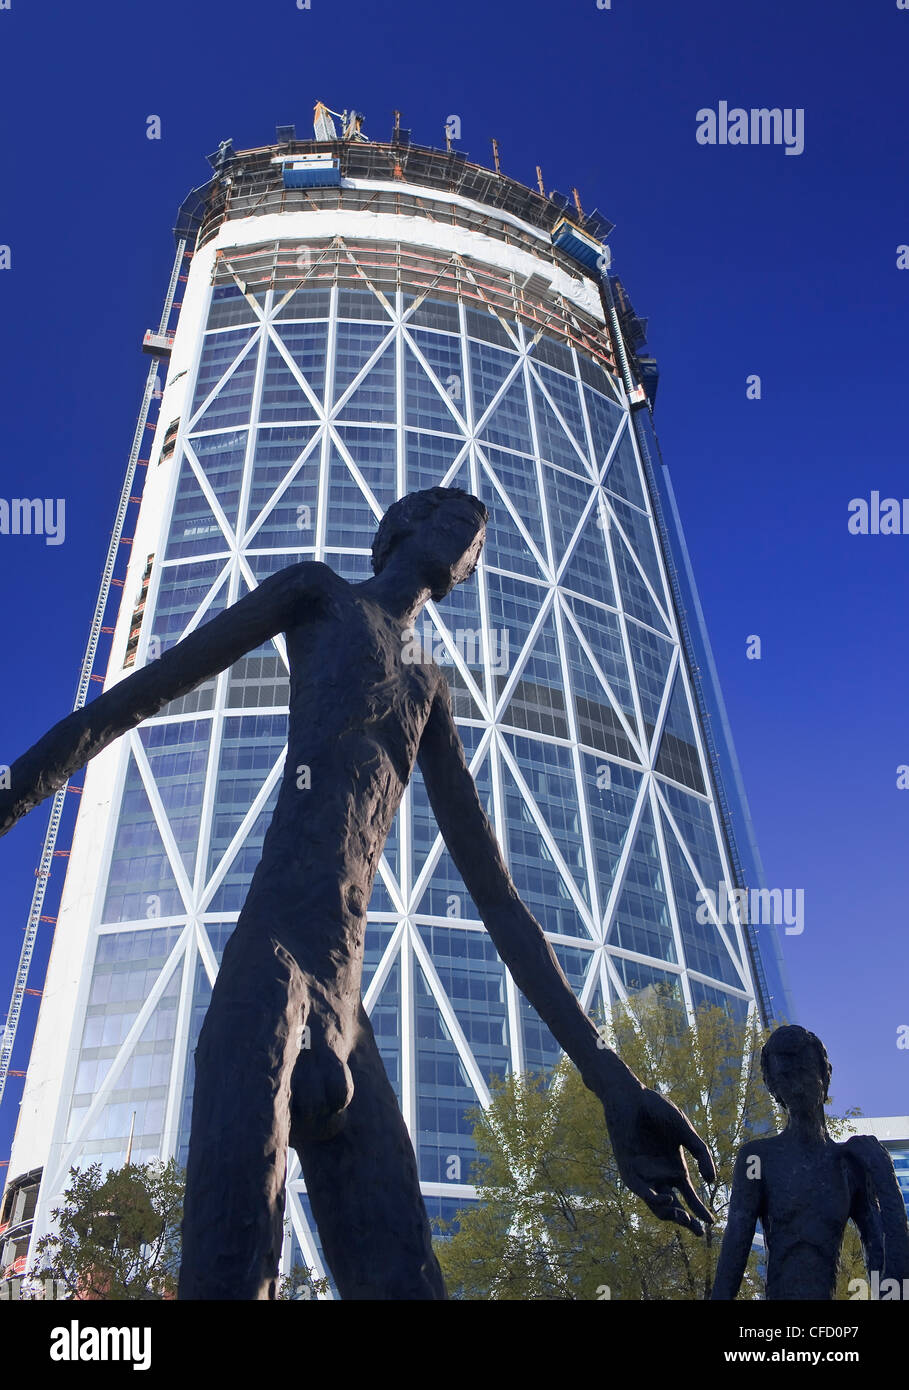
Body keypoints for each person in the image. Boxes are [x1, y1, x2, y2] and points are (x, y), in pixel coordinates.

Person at [1, 487, 716, 1299]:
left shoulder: (428, 690)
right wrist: (12, 795)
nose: (466, 547)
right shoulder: (317, 594)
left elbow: (498, 900)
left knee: (409, 1282)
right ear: (401, 526)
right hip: (270, 979)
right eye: (453, 524)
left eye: (476, 543)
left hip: (346, 1020)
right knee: (233, 1274)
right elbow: (137, 697)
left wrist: (611, 1081)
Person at [712, 1024, 909, 1300]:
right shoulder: (756, 1159)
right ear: (773, 1087)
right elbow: (733, 1256)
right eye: (784, 1077)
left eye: (803, 1072)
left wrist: (884, 1175)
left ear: (825, 1075)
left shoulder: (849, 1166)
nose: (796, 1087)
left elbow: (893, 1289)